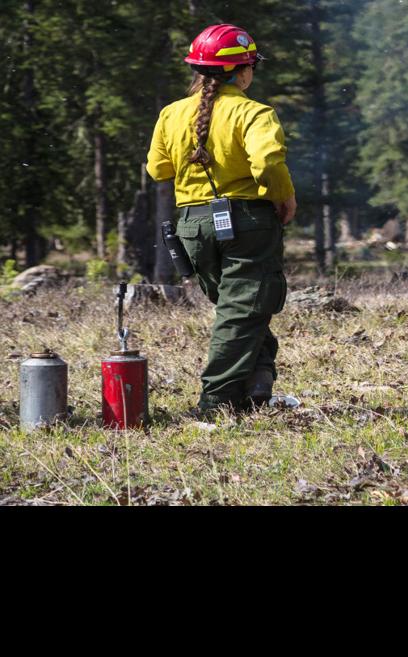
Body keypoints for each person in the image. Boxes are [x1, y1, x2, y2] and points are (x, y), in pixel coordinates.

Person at [146, 24, 296, 416]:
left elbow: (158, 169)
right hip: (247, 222)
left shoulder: (171, 113)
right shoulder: (254, 113)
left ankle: (257, 386)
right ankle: (217, 401)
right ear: (243, 71)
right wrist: (282, 196)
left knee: (243, 309)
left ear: (197, 70)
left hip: (193, 226)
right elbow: (267, 164)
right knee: (242, 310)